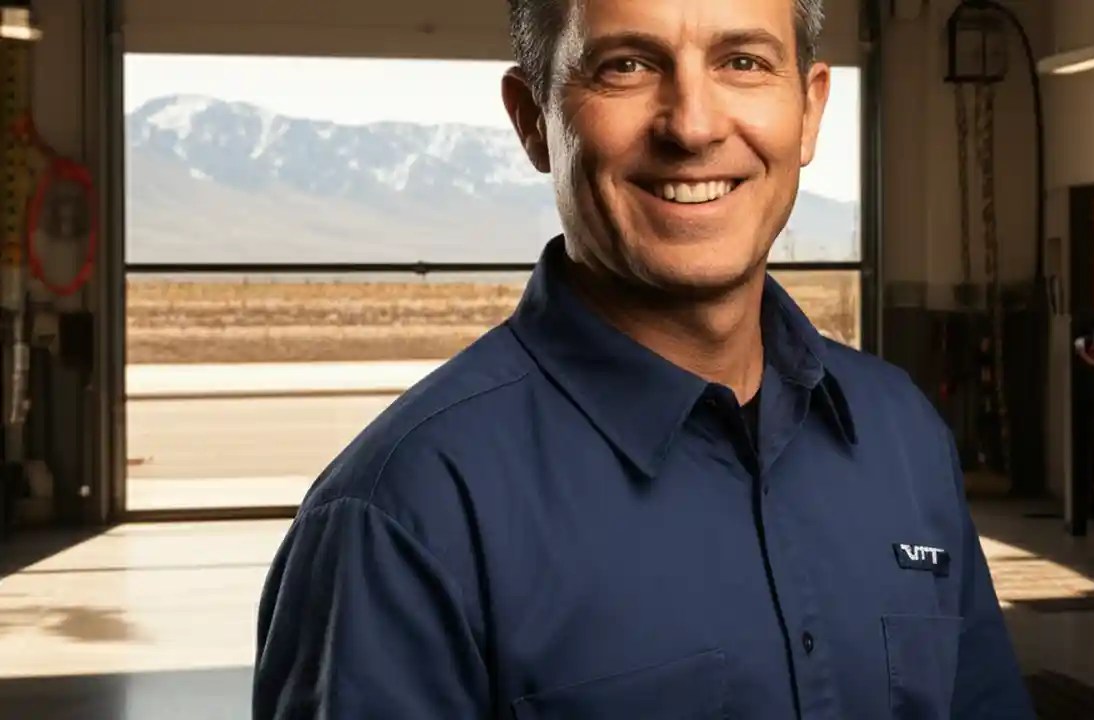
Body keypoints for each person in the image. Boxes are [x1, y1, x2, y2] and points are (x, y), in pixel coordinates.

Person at [252, 0, 1034, 716]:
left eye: (743, 63)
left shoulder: (900, 434)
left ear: (809, 109)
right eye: (626, 65)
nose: (692, 126)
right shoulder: (402, 514)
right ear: (533, 120)